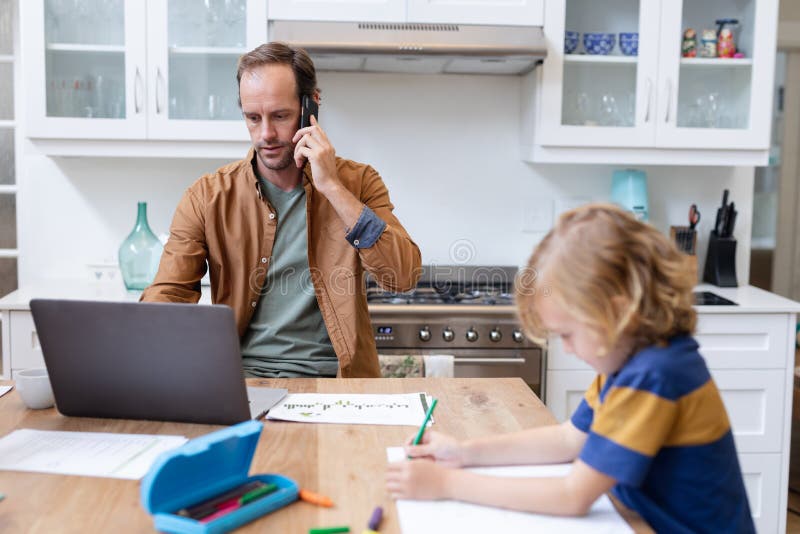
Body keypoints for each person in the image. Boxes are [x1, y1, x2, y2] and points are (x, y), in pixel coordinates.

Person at [386, 204, 754, 533]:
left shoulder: (654, 374)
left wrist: (446, 485)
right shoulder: (633, 360)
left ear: (617, 310)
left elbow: (572, 494)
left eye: (568, 333)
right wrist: (464, 453)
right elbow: (569, 439)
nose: (565, 347)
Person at [141, 42, 421, 378]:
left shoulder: (358, 182)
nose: (266, 135)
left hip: (336, 383)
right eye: (252, 118)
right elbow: (169, 292)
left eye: (280, 116)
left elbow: (402, 276)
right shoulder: (206, 196)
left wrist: (331, 187)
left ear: (310, 106)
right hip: (242, 381)